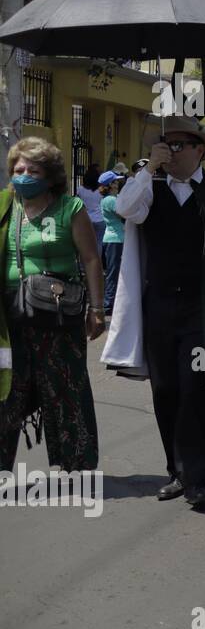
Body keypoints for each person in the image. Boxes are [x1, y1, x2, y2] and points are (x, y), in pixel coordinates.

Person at [101, 116, 205, 510]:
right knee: (166, 390)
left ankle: (197, 477)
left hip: (202, 310)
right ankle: (176, 470)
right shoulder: (148, 191)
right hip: (160, 306)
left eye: (179, 146)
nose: (170, 152)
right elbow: (123, 208)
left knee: (197, 390)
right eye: (165, 145)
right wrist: (148, 168)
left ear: (200, 150)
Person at [0, 138, 105, 474]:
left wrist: (97, 309)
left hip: (58, 315)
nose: (23, 175)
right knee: (7, 390)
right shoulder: (4, 205)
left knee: (66, 387)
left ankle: (77, 465)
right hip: (7, 320)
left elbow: (90, 259)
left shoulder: (69, 208)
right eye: (18, 169)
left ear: (49, 176)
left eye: (33, 170)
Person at [99, 170, 126, 317]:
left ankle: (111, 302)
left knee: (114, 273)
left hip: (114, 239)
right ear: (110, 185)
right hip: (115, 240)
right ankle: (109, 304)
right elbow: (124, 212)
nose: (118, 183)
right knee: (113, 274)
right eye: (115, 182)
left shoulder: (111, 198)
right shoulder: (110, 200)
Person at [76, 166, 105, 250]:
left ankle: (84, 262)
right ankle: (98, 261)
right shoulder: (101, 190)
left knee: (85, 243)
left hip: (85, 219)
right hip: (99, 218)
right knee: (98, 243)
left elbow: (77, 203)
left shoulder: (80, 189)